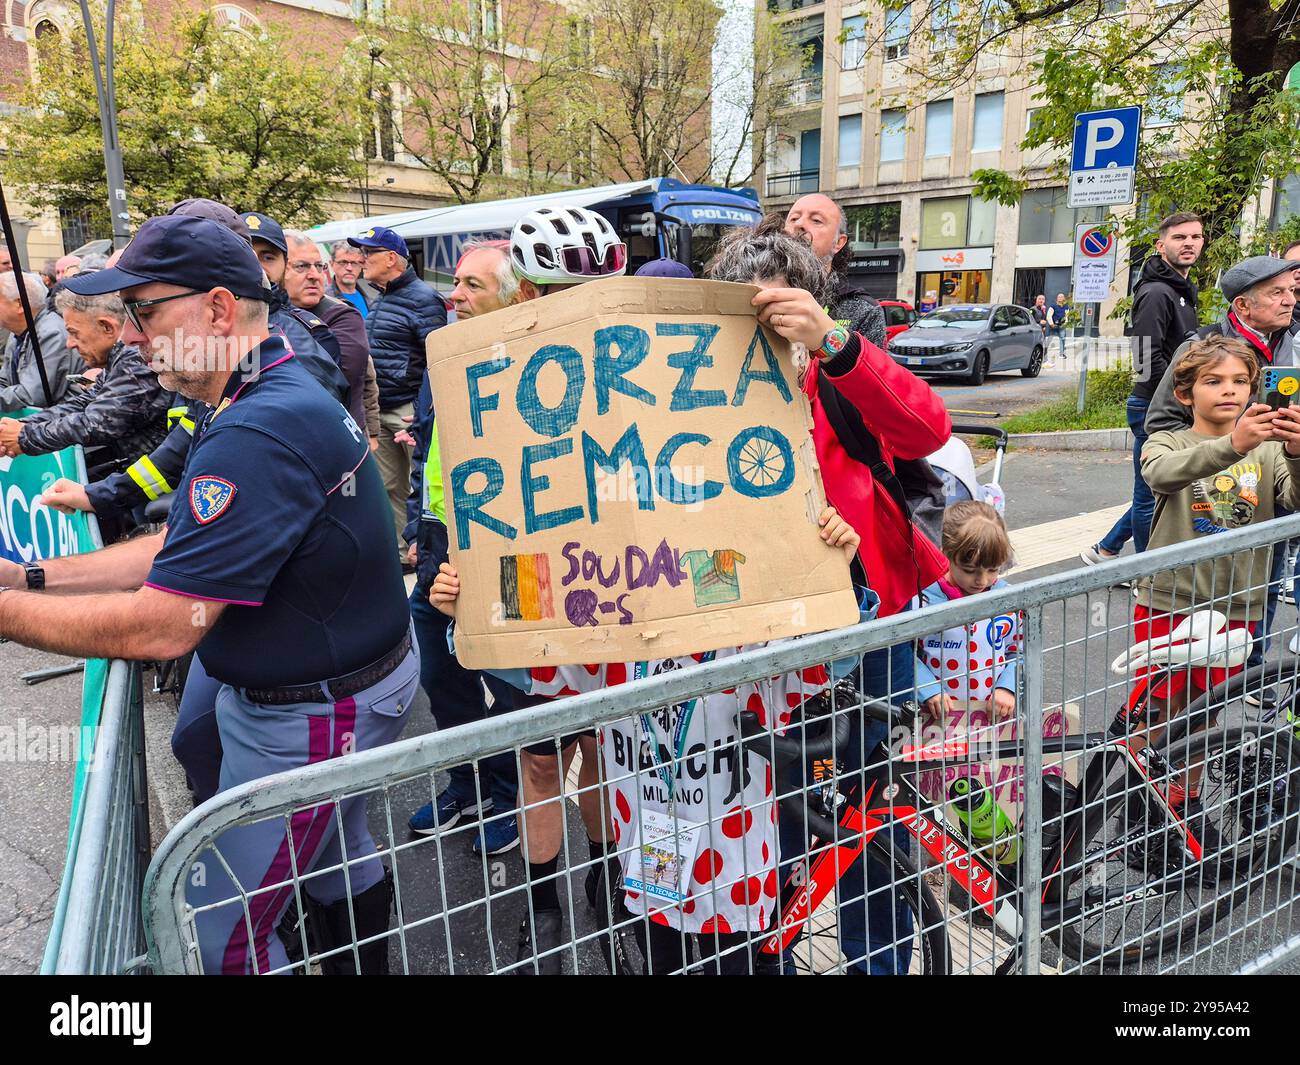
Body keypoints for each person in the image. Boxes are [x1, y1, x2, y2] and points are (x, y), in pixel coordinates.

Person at [0, 213, 417, 975]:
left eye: (143, 310)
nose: (128, 335)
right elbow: (183, 547)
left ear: (219, 310)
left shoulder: (259, 420)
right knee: (333, 854)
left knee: (216, 930)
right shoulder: (256, 379)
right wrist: (30, 578)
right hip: (328, 685)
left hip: (318, 704)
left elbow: (164, 626)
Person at [429, 508, 874, 974]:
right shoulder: (615, 651)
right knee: (662, 960)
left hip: (736, 874)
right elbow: (534, 670)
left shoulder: (756, 651)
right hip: (653, 864)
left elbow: (832, 656)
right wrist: (469, 620)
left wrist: (842, 572)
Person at [706, 227, 952, 975]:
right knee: (773, 803)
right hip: (752, 626)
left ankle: (874, 959)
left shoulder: (837, 368)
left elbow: (927, 427)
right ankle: (770, 951)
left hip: (864, 616)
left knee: (871, 801)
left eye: (785, 310)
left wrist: (834, 344)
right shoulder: (700, 387)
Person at [1133, 335, 1300, 842]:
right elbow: (1160, 475)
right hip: (1169, 600)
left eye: (1239, 382)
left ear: (1255, 388)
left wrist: (1295, 452)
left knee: (1205, 715)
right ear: (1185, 394)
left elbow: (1292, 501)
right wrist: (1233, 445)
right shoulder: (1168, 440)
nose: (1228, 391)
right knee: (1157, 705)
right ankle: (1143, 805)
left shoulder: (1269, 448)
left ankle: (1183, 808)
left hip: (1237, 606)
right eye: (1213, 381)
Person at [403, 240, 523, 856]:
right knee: (441, 676)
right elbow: (430, 451)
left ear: (515, 293)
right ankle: (467, 782)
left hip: (502, 547)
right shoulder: (444, 353)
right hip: (438, 542)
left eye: (473, 286)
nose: (455, 296)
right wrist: (415, 531)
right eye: (458, 283)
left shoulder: (530, 359)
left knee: (502, 680)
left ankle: (512, 800)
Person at [1084, 212, 1203, 566]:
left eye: (1195, 237)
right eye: (1180, 237)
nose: (1189, 243)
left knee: (1157, 488)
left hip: (1169, 403)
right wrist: (1179, 398)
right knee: (1150, 494)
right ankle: (1146, 573)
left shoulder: (1180, 289)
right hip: (1155, 406)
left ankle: (1106, 549)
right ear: (1160, 244)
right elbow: (1144, 357)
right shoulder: (1155, 292)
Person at [350, 225, 446, 562]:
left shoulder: (424, 299)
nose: (361, 260)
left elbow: (437, 357)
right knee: (388, 486)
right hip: (382, 409)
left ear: (392, 258)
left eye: (368, 253)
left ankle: (424, 552)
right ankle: (402, 554)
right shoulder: (381, 297)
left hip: (408, 409)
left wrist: (422, 410)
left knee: (418, 488)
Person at [0, 288, 169, 465]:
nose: (70, 343)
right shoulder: (119, 358)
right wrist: (22, 425)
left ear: (107, 327)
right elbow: (83, 403)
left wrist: (24, 435)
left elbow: (97, 422)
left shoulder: (136, 358)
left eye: (74, 333)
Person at [916, 501, 1020, 723]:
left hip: (992, 718)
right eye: (969, 571)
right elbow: (904, 655)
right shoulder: (922, 599)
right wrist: (928, 689)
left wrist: (1007, 687)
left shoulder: (1008, 600)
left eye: (993, 570)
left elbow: (1020, 652)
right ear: (946, 554)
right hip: (934, 720)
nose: (982, 581)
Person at [242, 212, 351, 410]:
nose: (256, 266)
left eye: (268, 257)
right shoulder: (206, 326)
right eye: (244, 253)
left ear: (284, 265)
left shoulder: (312, 333)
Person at [282, 230, 369, 431]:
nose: (314, 275)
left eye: (319, 266)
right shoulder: (261, 314)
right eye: (301, 266)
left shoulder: (342, 316)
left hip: (337, 434)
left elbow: (332, 383)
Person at [783, 194, 887, 350]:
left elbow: (873, 373)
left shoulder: (864, 311)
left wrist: (826, 339)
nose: (800, 224)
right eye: (793, 218)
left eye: (816, 220)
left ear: (839, 242)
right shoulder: (754, 290)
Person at [0, 270, 83, 411]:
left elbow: (32, 395)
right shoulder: (18, 334)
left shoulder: (51, 332)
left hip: (58, 423)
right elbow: (4, 380)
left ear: (19, 304)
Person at [328, 241, 378, 319]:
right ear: (331, 264)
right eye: (343, 262)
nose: (349, 268)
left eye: (354, 263)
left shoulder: (371, 298)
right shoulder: (325, 300)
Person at [1046, 292, 1070, 364]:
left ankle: (1061, 354)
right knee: (1049, 339)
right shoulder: (1053, 306)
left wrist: (1065, 323)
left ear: (1064, 298)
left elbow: (1066, 316)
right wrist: (1051, 323)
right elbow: (1049, 316)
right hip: (1054, 325)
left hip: (1062, 326)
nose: (1060, 298)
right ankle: (1044, 353)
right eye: (1059, 297)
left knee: (1062, 339)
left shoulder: (1066, 307)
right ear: (1057, 298)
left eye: (1061, 297)